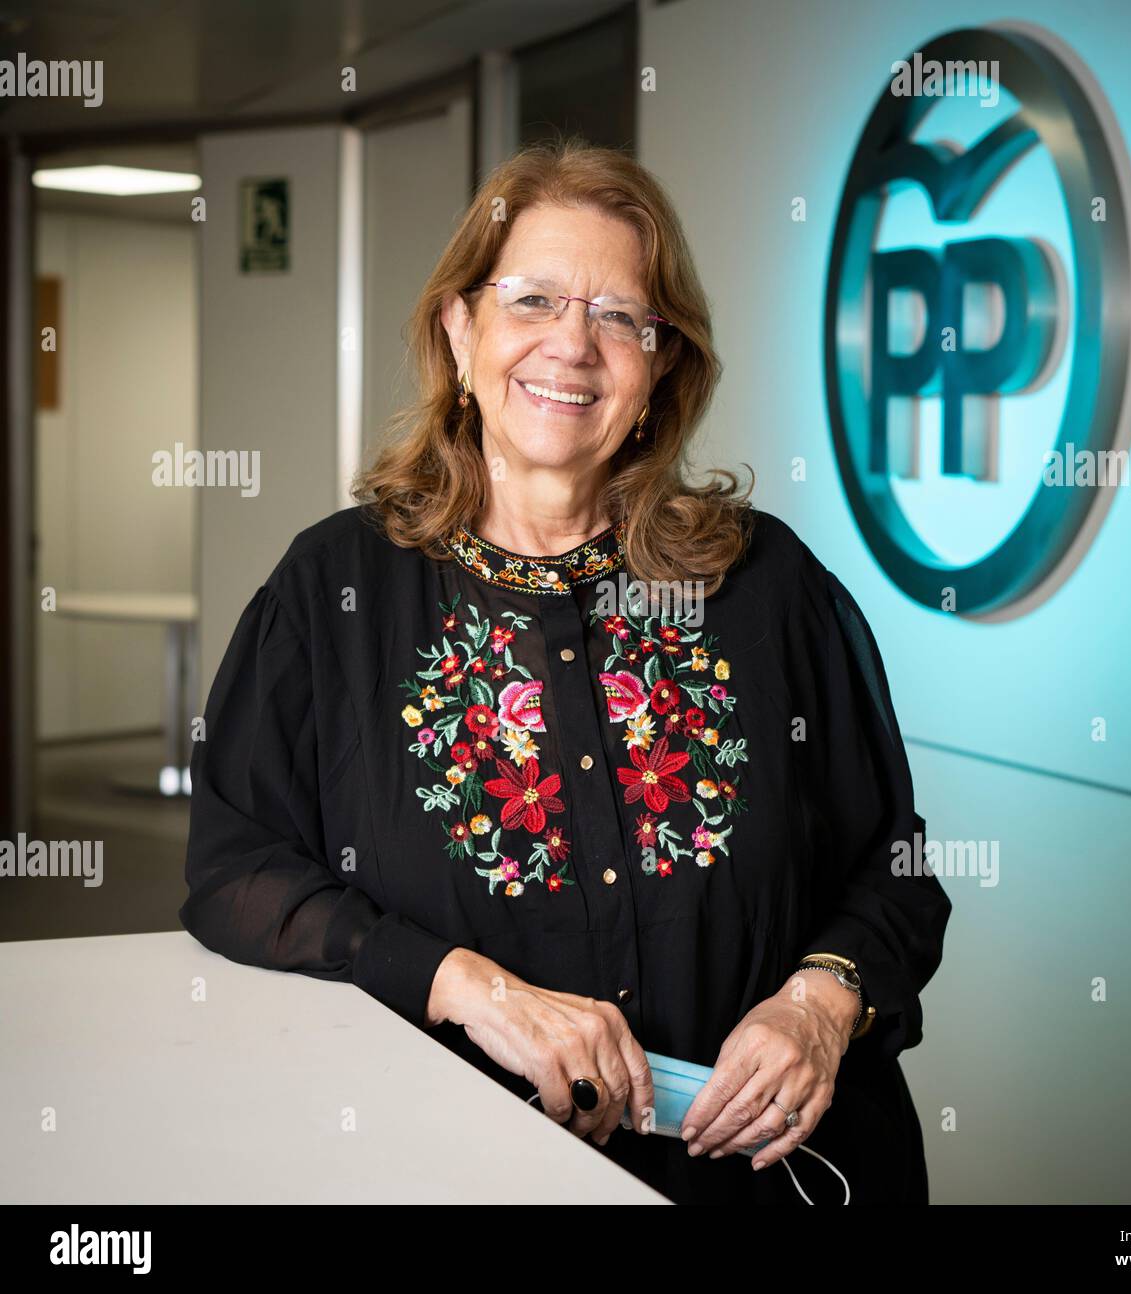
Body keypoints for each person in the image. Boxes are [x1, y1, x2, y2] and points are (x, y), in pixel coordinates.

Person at [180, 137, 951, 1205]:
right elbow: (232, 871)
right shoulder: (334, 590)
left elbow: (896, 865)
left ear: (661, 362)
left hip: (777, 1184)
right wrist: (467, 985)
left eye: (619, 317)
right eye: (533, 300)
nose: (572, 347)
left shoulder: (769, 584)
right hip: (459, 1177)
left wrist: (822, 1003)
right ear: (459, 329)